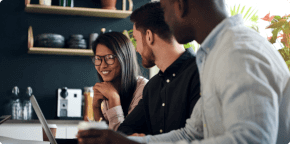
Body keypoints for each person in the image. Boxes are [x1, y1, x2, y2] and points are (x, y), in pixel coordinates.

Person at [77, 0, 290, 143]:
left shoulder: (238, 51)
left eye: (165, 7)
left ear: (180, 5)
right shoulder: (214, 55)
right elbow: (190, 134)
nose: (165, 20)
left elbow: (251, 140)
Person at [77, 1, 201, 141]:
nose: (136, 49)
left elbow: (197, 136)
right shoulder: (153, 87)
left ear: (149, 36)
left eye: (135, 39)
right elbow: (123, 133)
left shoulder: (200, 73)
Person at [91, 32, 148, 131]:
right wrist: (96, 107)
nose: (102, 65)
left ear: (124, 58)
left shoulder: (145, 90)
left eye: (109, 58)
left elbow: (122, 139)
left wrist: (114, 100)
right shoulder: (110, 89)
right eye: (98, 59)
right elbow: (104, 137)